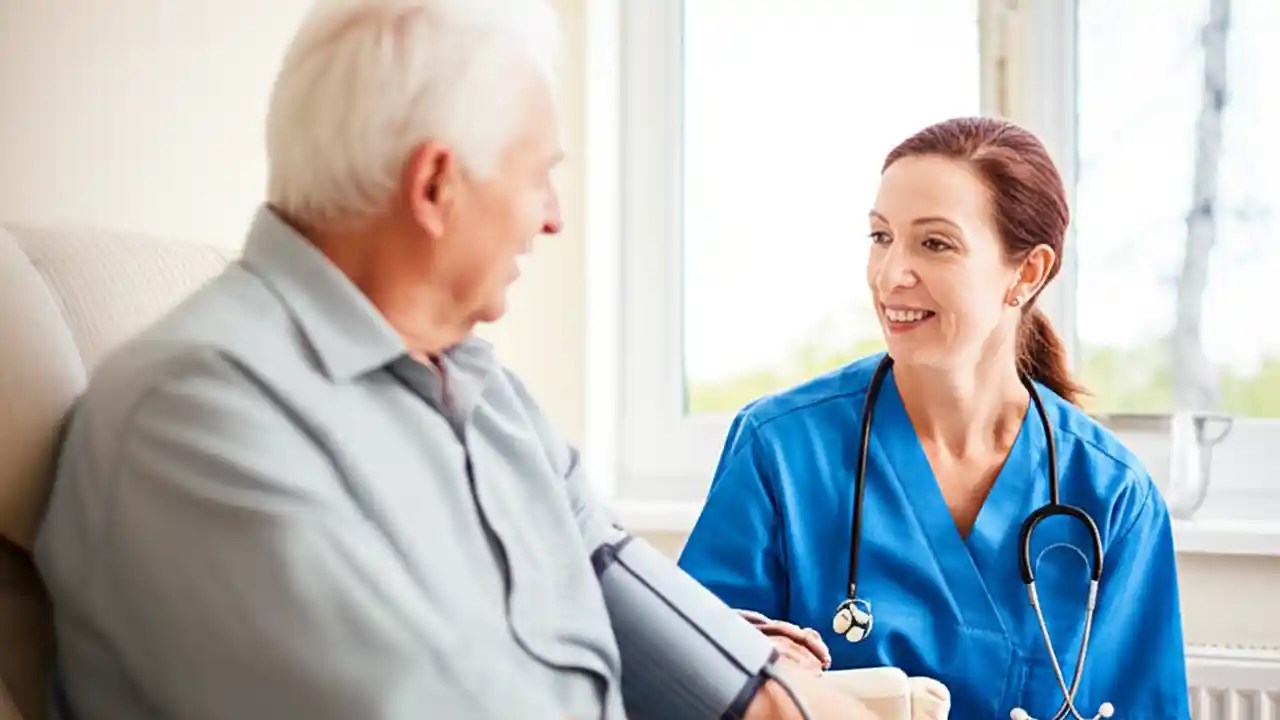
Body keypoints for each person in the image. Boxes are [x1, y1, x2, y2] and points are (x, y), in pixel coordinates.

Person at [33, 2, 874, 718]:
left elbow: (701, 654)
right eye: (539, 177)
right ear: (436, 185)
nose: (552, 218)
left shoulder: (490, 398)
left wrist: (765, 679)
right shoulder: (196, 420)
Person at [677, 117, 1191, 719]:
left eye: (935, 244)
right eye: (881, 237)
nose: (890, 274)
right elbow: (687, 683)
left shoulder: (1112, 495)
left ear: (1027, 273)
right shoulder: (782, 451)